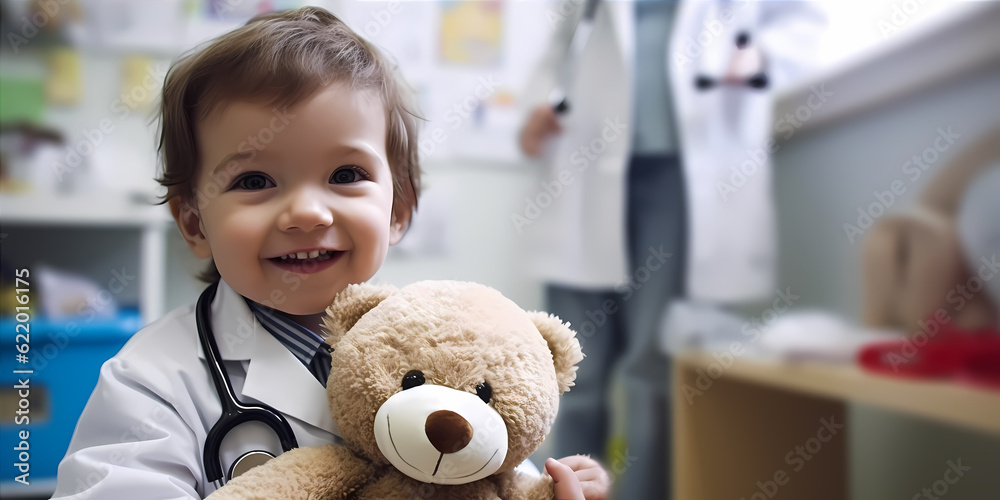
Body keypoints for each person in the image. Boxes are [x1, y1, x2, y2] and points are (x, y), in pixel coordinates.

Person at [52, 7, 608, 499]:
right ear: (195, 223)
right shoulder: (152, 381)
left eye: (346, 175)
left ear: (398, 210)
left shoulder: (459, 344)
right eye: (254, 180)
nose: (307, 214)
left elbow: (489, 468)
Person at [518, 1, 825, 498]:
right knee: (573, 372)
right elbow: (557, 46)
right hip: (583, 168)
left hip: (682, 183)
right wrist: (535, 107)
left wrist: (760, 56)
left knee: (654, 370)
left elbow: (801, 22)